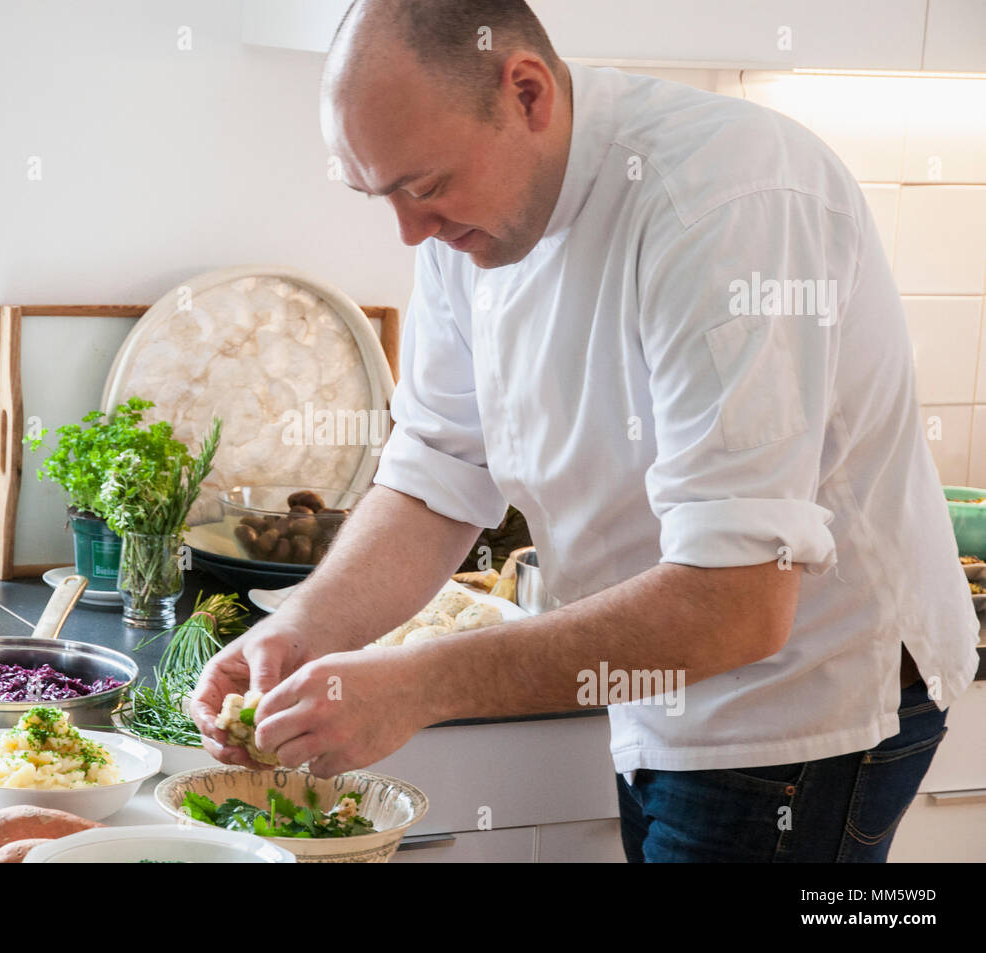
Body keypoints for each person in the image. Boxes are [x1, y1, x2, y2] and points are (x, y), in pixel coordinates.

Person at [190, 0, 980, 862]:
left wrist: (415, 686)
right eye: (378, 193)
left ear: (526, 91)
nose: (409, 231)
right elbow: (436, 472)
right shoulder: (466, 229)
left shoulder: (723, 201)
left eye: (422, 186)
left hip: (796, 717)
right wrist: (304, 628)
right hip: (655, 685)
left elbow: (740, 604)